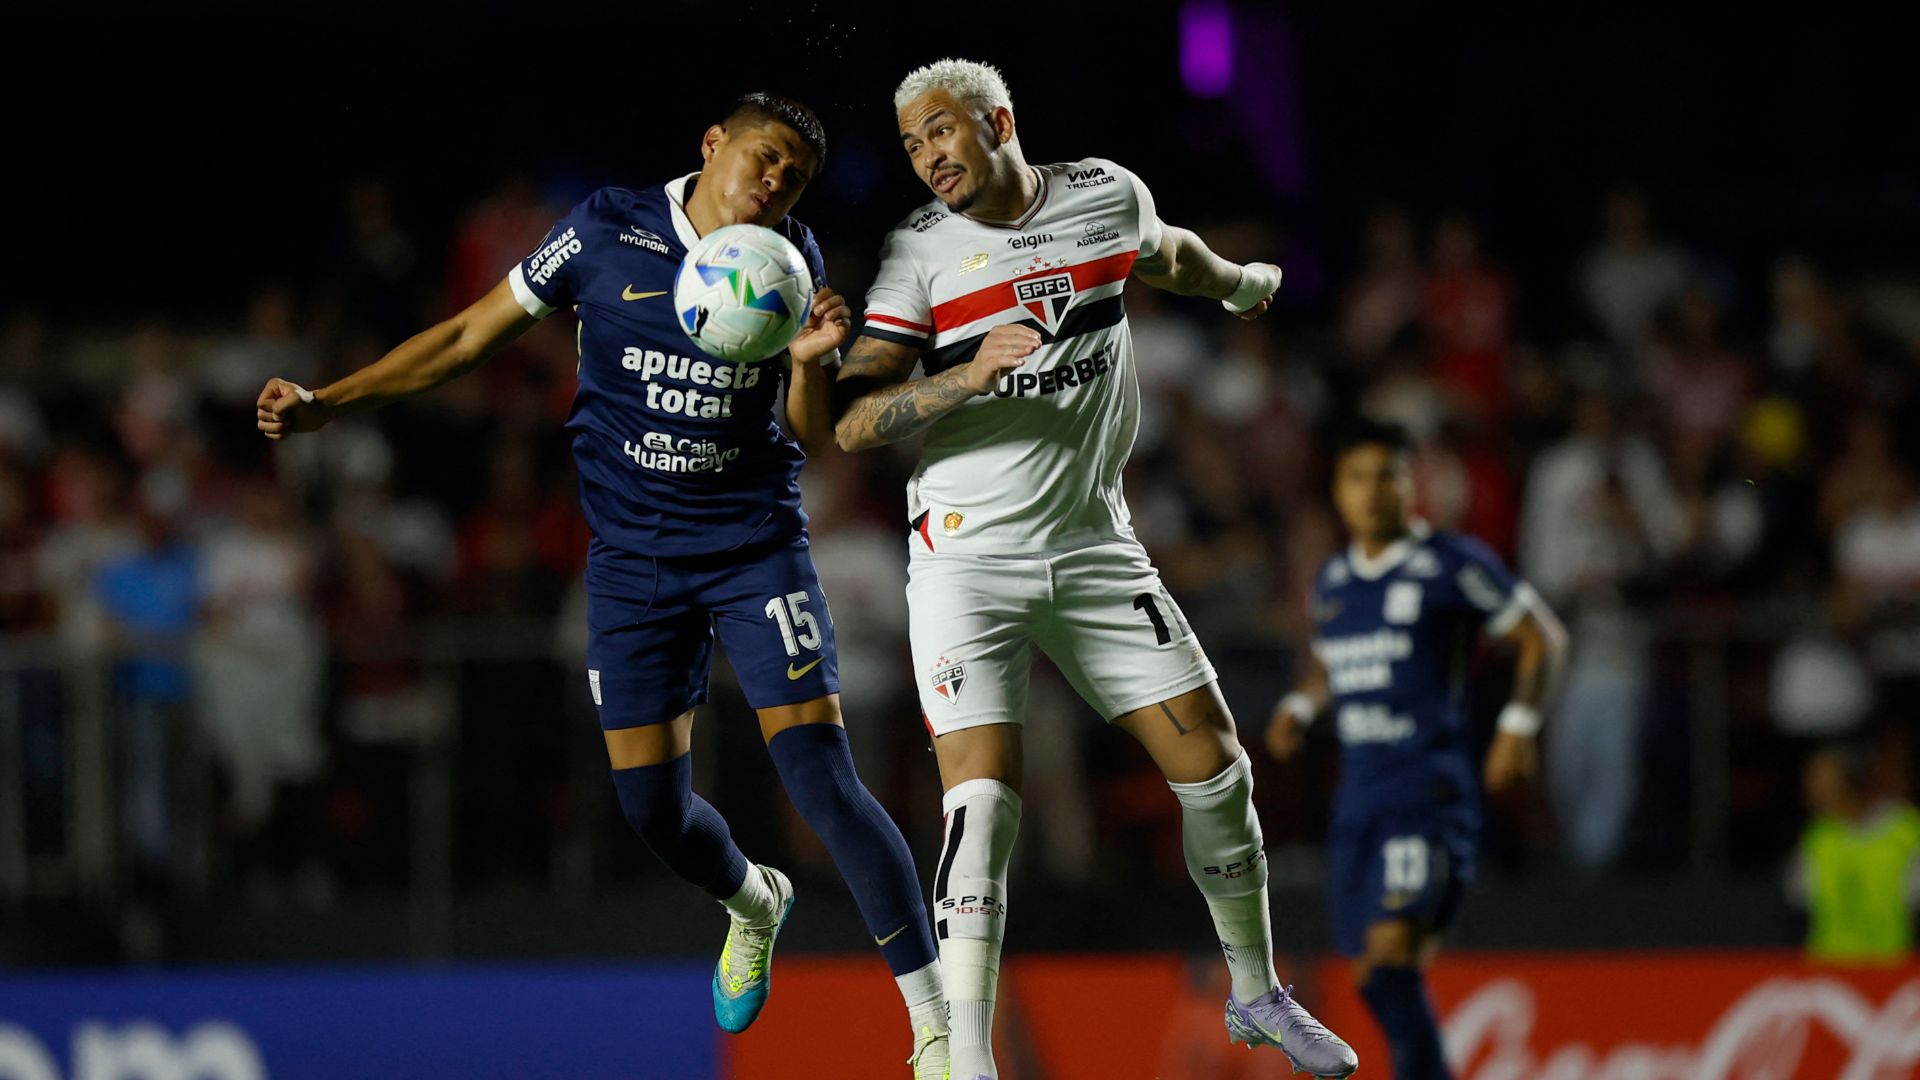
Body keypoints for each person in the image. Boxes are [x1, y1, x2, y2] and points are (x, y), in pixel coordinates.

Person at [257, 93, 950, 1076]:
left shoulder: (790, 261)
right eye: (762, 158)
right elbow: (467, 338)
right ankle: (752, 901)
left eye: (791, 176)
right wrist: (333, 402)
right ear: (713, 144)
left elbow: (804, 429)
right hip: (633, 565)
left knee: (822, 779)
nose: (771, 184)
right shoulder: (605, 228)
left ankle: (938, 1026)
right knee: (653, 812)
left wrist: (807, 367)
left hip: (753, 547)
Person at [832, 58, 1357, 1079]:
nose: (930, 156)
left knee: (1215, 768)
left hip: (1090, 545)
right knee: (982, 806)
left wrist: (1241, 286)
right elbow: (855, 417)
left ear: (999, 121)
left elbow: (1168, 256)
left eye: (942, 130)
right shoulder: (922, 257)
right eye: (912, 144)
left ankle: (1255, 994)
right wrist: (962, 377)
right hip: (964, 560)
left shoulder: (1104, 196)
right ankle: (969, 1059)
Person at [1266, 419, 1568, 1080]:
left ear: (1412, 485)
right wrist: (1301, 705)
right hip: (1359, 804)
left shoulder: (1451, 564)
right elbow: (1333, 667)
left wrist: (1518, 726)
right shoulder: (1336, 579)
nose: (1373, 492)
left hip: (1426, 795)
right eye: (1357, 478)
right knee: (1374, 976)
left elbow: (1541, 637)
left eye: (1387, 475)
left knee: (1392, 957)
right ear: (1337, 492)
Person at [1788, 743, 1920, 964]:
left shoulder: (1907, 833)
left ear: (1852, 781)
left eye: (1822, 780)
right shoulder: (1819, 837)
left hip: (1893, 973)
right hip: (1830, 974)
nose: (1811, 789)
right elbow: (1797, 900)